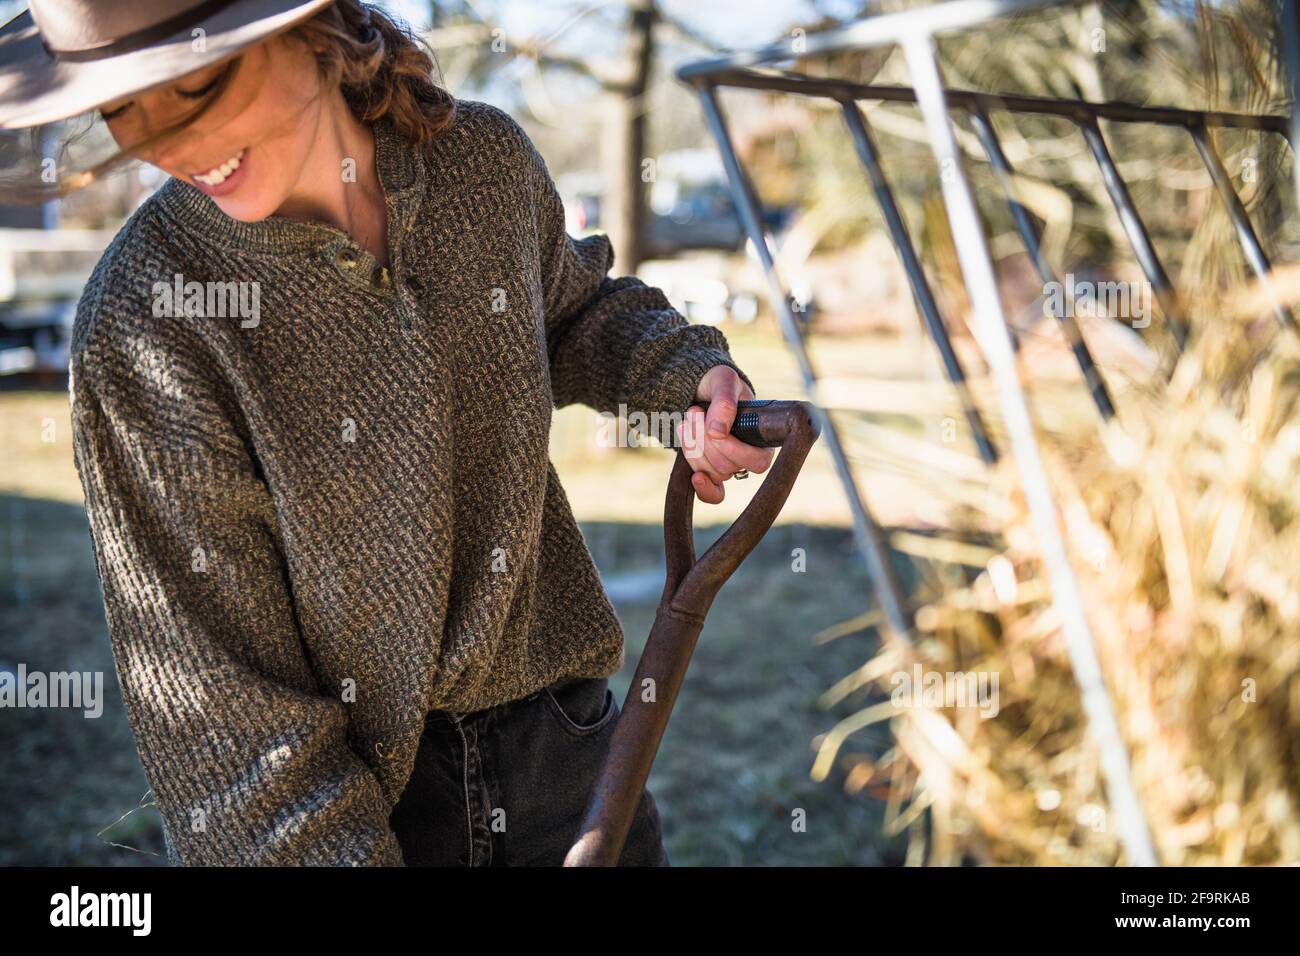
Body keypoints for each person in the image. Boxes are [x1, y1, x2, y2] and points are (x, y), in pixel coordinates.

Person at [0, 0, 772, 865]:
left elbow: (573, 310)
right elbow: (224, 718)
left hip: (572, 754)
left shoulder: (484, 167)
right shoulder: (145, 322)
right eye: (121, 105)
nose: (169, 145)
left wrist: (679, 377)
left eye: (193, 83)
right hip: (356, 805)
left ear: (312, 28)